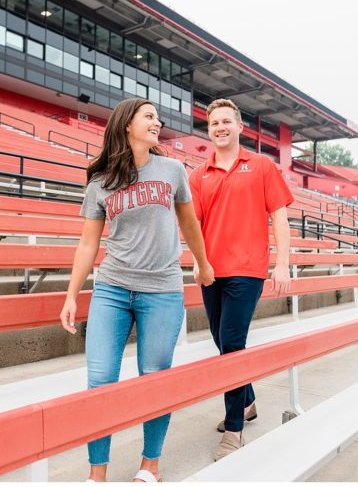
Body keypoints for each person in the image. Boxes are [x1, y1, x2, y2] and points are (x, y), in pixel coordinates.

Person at [60, 98, 215, 482]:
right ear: (127, 123)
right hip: (112, 288)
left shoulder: (172, 170)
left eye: (158, 118)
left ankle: (150, 464)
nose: (157, 122)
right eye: (149, 116)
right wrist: (71, 295)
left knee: (155, 376)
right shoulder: (100, 181)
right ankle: (97, 472)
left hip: (162, 290)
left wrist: (203, 263)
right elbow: (88, 243)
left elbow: (189, 223)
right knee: (99, 381)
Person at [188, 98, 294, 461]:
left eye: (226, 121)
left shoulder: (261, 166)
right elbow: (193, 224)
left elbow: (279, 216)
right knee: (222, 341)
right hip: (210, 271)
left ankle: (234, 429)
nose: (220, 127)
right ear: (209, 130)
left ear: (239, 127)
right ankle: (246, 401)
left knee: (232, 343)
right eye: (213, 123)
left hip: (247, 270)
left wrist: (283, 263)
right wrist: (197, 261)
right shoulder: (198, 174)